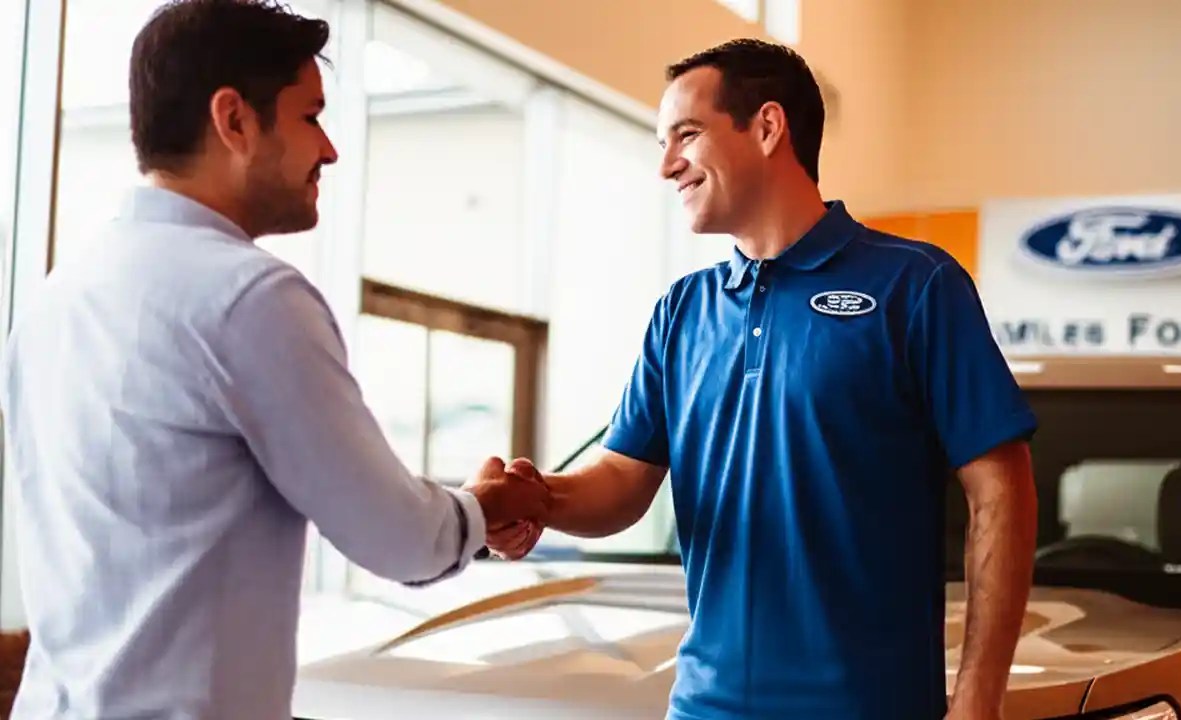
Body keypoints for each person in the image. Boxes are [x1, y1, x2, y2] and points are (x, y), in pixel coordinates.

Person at [0, 2, 547, 718]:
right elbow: (400, 537)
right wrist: (485, 510)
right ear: (234, 120)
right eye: (310, 116)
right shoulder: (249, 297)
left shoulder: (53, 300)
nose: (329, 150)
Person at [488, 39, 1039, 719]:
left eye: (686, 135)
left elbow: (1001, 494)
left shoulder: (916, 286)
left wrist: (978, 700)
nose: (666, 166)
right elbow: (623, 482)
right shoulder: (681, 313)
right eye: (662, 142)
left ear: (769, 127)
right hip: (703, 707)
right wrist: (538, 498)